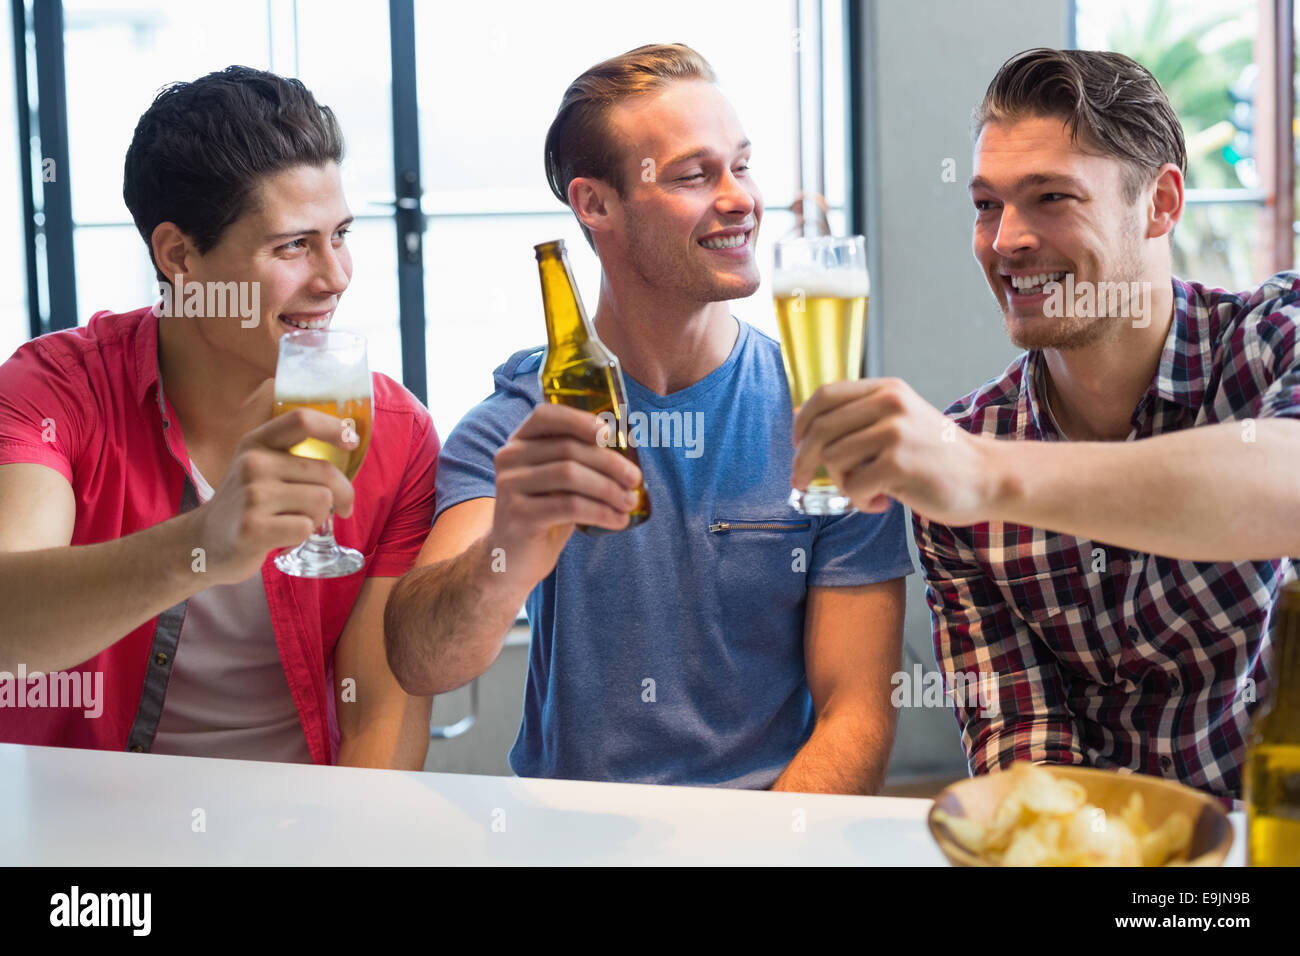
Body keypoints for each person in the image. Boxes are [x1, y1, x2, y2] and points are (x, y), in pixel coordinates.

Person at [385, 43, 912, 793]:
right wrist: (512, 544)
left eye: (743, 164)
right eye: (697, 175)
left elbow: (857, 714)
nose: (741, 199)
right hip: (570, 841)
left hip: (768, 841)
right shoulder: (514, 428)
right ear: (595, 204)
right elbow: (420, 659)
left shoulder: (828, 420)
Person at [792, 48, 1299, 800]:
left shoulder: (1271, 339)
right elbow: (1022, 753)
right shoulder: (968, 448)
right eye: (987, 204)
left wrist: (983, 476)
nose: (1005, 241)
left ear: (1161, 204)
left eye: (1051, 197)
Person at [0, 67, 438, 768]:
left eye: (341, 235)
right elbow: (7, 625)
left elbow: (376, 718)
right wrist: (202, 542)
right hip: (82, 833)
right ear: (179, 256)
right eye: (293, 245)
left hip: (299, 834)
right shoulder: (55, 389)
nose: (335, 277)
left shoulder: (395, 432)